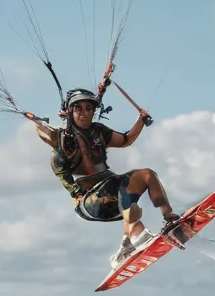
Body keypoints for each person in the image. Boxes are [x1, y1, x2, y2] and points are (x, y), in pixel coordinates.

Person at [34, 88, 185, 269]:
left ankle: (164, 222)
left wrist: (141, 121)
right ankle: (137, 234)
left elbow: (126, 140)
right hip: (90, 202)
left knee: (146, 175)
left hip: (113, 191)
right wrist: (39, 122)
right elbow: (46, 136)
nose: (84, 113)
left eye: (88, 108)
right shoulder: (62, 142)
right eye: (78, 109)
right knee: (115, 186)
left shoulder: (99, 132)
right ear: (70, 112)